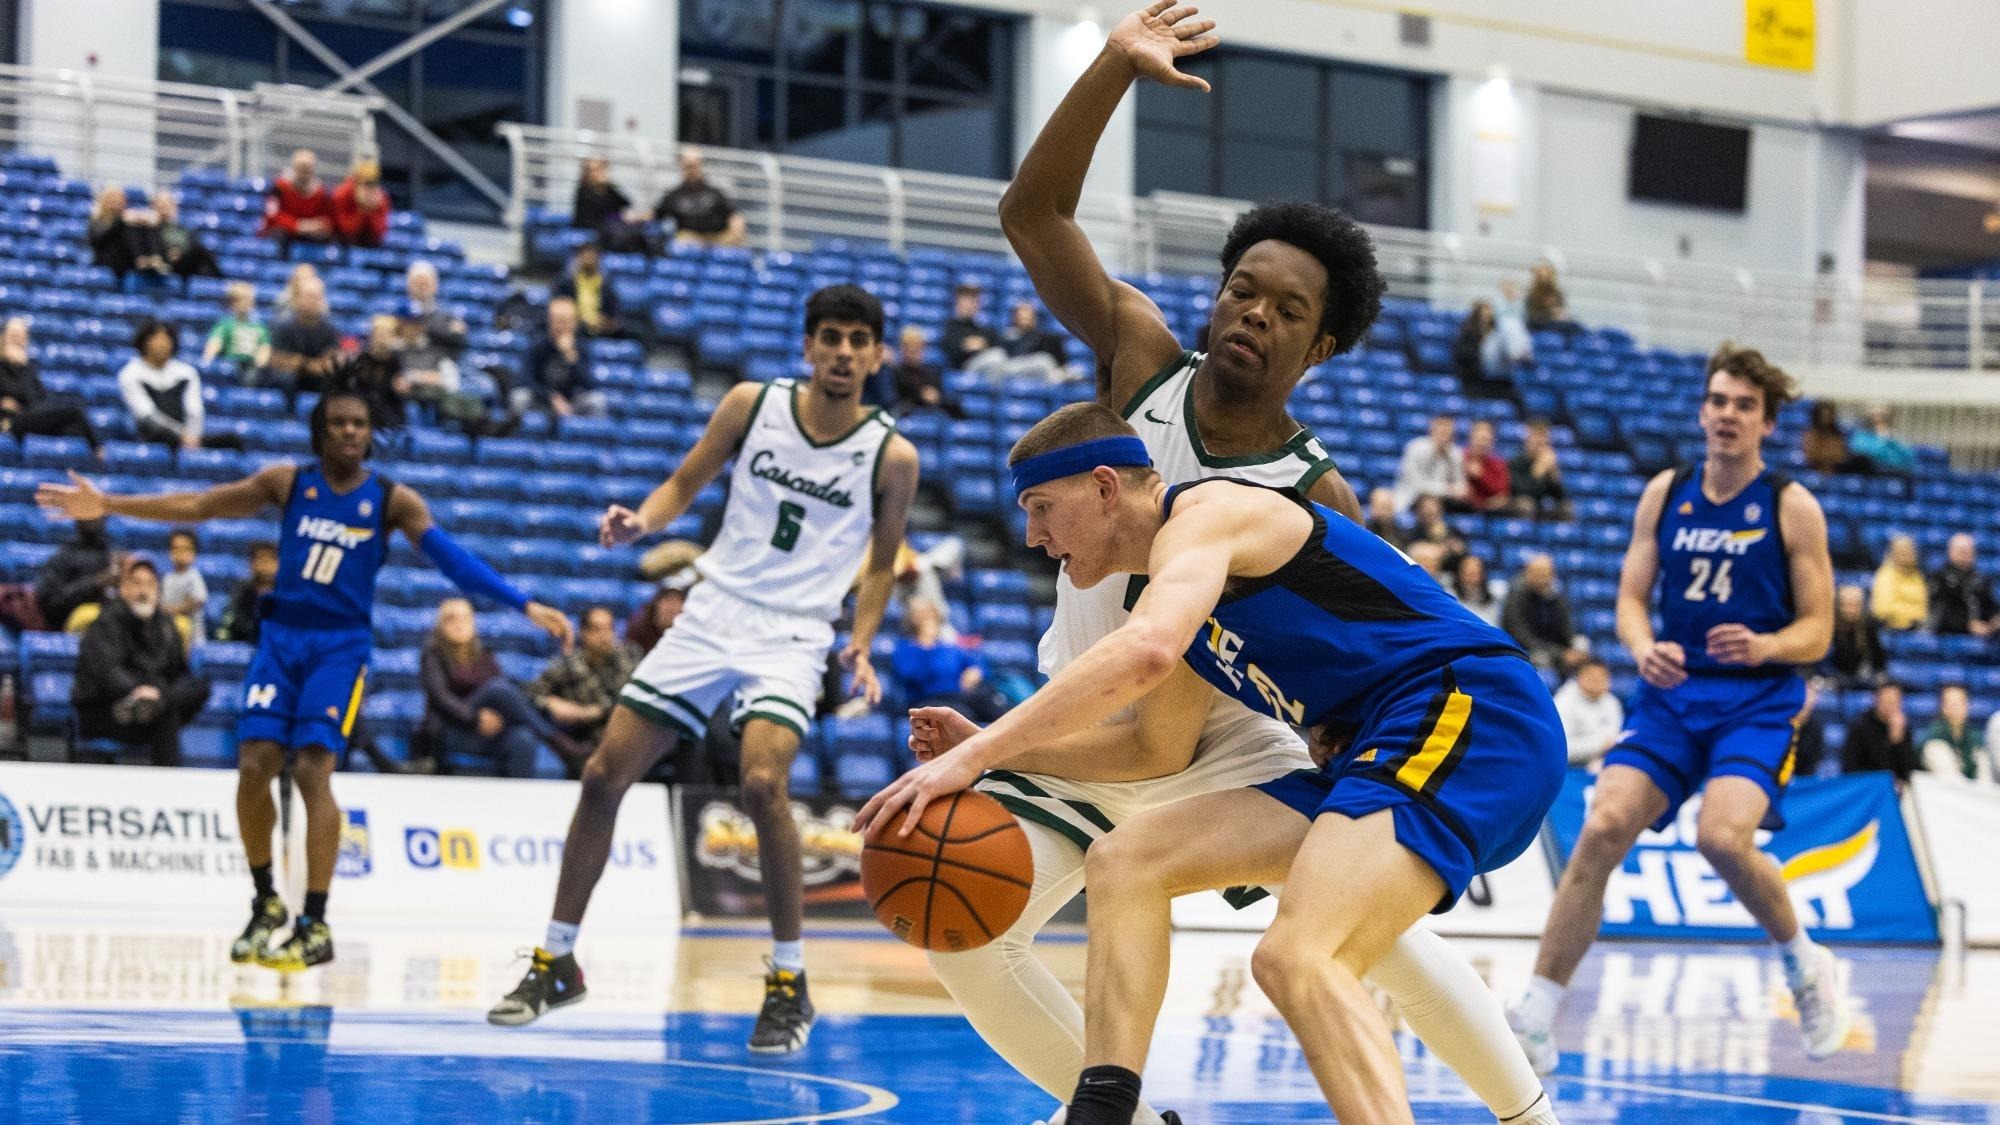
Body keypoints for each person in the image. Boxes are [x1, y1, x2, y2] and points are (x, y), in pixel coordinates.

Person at [880, 9, 1556, 1123]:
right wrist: (1111, 66)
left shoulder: (1315, 493)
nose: (1252, 312)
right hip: (1095, 721)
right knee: (966, 929)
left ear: (1318, 348)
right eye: (1244, 286)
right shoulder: (1138, 359)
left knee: (1340, 942)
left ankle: (1527, 1108)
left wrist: (1358, 751)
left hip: (1227, 732)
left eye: (1287, 309)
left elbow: (1379, 640)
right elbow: (1029, 211)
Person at [855, 401, 1567, 1125]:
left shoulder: (1207, 515)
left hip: (1472, 711)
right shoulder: (1180, 594)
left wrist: (982, 749)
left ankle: (1530, 1116)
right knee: (1126, 860)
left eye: (1042, 507)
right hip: (1381, 744)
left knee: (1297, 956)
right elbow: (1152, 748)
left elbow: (1146, 653)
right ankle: (1105, 1110)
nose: (1034, 536)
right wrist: (989, 749)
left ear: (1105, 487)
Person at [486, 285, 920, 1058]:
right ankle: (556, 959)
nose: (844, 352)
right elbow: (686, 482)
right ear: (808, 345)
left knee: (762, 784)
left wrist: (859, 640)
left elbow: (882, 564)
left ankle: (789, 981)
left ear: (878, 355)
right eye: (831, 337)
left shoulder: (893, 455)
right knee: (601, 773)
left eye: (859, 340)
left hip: (794, 632)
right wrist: (644, 520)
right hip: (714, 607)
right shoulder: (752, 404)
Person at [37, 380, 573, 973]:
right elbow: (204, 503)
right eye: (338, 422)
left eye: (359, 424)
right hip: (280, 641)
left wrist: (524, 603)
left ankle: (315, 922)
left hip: (339, 649)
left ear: (371, 434)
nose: (349, 431)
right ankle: (266, 899)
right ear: (320, 431)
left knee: (313, 770)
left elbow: (453, 561)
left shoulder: (392, 499)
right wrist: (111, 504)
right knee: (254, 766)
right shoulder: (288, 483)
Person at [1507, 342, 1844, 1077]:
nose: (1728, 415)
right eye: (1719, 401)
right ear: (1702, 410)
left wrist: (1764, 644)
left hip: (1757, 700)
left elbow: (1820, 630)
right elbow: (1632, 598)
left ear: (1767, 423)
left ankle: (1805, 964)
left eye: (1744, 406)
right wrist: (1641, 643)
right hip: (1672, 695)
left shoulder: (1791, 505)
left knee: (1722, 839)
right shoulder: (1666, 492)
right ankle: (1535, 1015)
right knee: (1600, 825)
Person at [72, 557, 212, 767]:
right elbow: (106, 673)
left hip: (153, 705)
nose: (143, 591)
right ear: (123, 589)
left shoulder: (167, 627)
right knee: (167, 716)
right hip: (105, 709)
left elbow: (181, 674)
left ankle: (152, 706)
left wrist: (158, 695)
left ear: (158, 592)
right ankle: (168, 788)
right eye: (136, 583)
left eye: (150, 584)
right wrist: (137, 690)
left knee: (198, 686)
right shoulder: (105, 622)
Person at [421, 598, 584, 778]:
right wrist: (475, 718)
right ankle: (557, 742)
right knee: (497, 689)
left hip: (489, 730)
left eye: (465, 618)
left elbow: (507, 699)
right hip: (453, 730)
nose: (459, 624)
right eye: (451, 619)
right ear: (440, 625)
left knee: (524, 738)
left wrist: (497, 719)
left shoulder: (484, 655)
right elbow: (440, 698)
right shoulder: (433, 655)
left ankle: (518, 800)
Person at [527, 604, 640, 755]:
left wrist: (588, 712)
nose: (604, 636)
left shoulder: (628, 658)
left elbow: (633, 699)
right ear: (583, 632)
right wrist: (548, 703)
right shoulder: (568, 664)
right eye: (597, 629)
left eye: (609, 629)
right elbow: (530, 694)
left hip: (622, 737)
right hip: (579, 740)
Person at [119, 320, 245, 452]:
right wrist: (181, 435)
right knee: (162, 436)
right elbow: (146, 415)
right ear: (144, 342)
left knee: (233, 441)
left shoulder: (186, 373)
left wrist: (192, 437)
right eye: (156, 339)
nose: (162, 344)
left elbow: (194, 410)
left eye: (166, 339)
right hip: (154, 436)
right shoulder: (130, 373)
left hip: (189, 437)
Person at [891, 596, 1005, 722]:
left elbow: (975, 662)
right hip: (927, 700)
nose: (926, 618)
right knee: (963, 715)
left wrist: (975, 670)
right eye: (920, 614)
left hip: (958, 696)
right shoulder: (905, 649)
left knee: (991, 705)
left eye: (929, 613)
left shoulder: (947, 647)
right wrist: (926, 645)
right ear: (911, 619)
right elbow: (913, 675)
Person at [0, 317, 99, 454]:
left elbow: (38, 401)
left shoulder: (28, 368)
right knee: (75, 411)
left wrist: (22, 368)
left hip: (29, 419)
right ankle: (99, 451)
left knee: (76, 428)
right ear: (3, 337)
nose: (18, 340)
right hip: (10, 423)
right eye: (14, 335)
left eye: (22, 336)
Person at [514, 297, 606, 418]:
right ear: (550, 321)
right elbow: (526, 380)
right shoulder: (537, 345)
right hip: (542, 400)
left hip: (571, 402)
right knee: (519, 397)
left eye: (566, 321)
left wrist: (572, 357)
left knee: (597, 401)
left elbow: (589, 385)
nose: (562, 326)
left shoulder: (582, 348)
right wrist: (551, 397)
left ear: (574, 323)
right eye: (558, 320)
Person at [36, 517, 119, 633]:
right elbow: (50, 600)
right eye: (87, 513)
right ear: (77, 518)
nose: (92, 519)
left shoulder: (113, 555)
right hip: (73, 624)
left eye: (96, 514)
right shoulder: (63, 557)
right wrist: (95, 582)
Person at [268, 276, 343, 403]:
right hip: (289, 378)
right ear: (297, 299)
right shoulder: (282, 325)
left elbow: (330, 361)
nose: (313, 301)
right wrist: (309, 365)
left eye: (317, 297)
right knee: (285, 378)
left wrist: (302, 363)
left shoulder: (330, 329)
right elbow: (276, 359)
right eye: (309, 296)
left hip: (316, 377)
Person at [654, 147, 748, 247]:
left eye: (694, 166)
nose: (691, 170)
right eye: (688, 166)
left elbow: (733, 214)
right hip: (690, 240)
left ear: (700, 165)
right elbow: (655, 214)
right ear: (682, 166)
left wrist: (737, 225)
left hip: (717, 239)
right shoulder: (673, 195)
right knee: (682, 238)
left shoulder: (715, 193)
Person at [1501, 554, 1576, 670]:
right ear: (1527, 573)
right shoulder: (1517, 595)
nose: (1542, 578)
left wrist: (1571, 648)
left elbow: (1565, 626)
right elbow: (1520, 634)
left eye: (1546, 574)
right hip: (1522, 649)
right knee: (1541, 659)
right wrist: (1559, 653)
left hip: (1552, 648)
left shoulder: (1555, 595)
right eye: (1538, 573)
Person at [1841, 679, 1918, 787]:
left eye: (1894, 702)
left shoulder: (1903, 727)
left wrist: (1898, 743)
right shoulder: (1860, 726)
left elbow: (1908, 771)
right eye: (1886, 701)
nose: (1889, 706)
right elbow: (1850, 768)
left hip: (1895, 787)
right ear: (1876, 699)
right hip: (1867, 786)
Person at [260, 148, 336, 253]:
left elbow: (327, 220)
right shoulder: (278, 188)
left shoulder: (322, 193)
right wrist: (299, 225)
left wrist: (317, 226)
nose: (304, 172)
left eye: (308, 168)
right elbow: (272, 216)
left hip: (310, 237)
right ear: (294, 167)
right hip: (284, 235)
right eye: (301, 167)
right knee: (278, 235)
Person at [1553, 658, 1623, 767]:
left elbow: (1614, 738)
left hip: (1602, 764)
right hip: (1569, 768)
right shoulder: (1563, 701)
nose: (1597, 680)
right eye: (1591, 676)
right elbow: (1560, 749)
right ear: (1578, 677)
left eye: (1602, 677)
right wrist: (1599, 746)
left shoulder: (1611, 702)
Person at [879, 325, 961, 417]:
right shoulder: (894, 373)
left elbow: (952, 405)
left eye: (917, 346)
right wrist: (920, 396)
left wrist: (938, 397)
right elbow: (892, 401)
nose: (913, 350)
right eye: (909, 346)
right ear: (901, 347)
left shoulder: (932, 374)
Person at [1929, 533, 2000, 637]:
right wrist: (1968, 625)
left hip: (1984, 638)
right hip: (1949, 635)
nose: (1964, 554)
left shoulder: (1983, 579)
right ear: (1950, 552)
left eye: (1968, 551)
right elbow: (1939, 612)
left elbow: (1991, 606)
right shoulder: (1939, 578)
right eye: (1961, 551)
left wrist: (1994, 621)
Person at [349, 315, 410, 432]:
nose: (381, 339)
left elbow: (400, 391)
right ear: (371, 337)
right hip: (360, 410)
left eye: (386, 335)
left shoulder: (397, 362)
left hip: (388, 412)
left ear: (393, 338)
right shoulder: (360, 359)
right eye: (378, 335)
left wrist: (401, 389)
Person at [1394, 413, 1465, 513]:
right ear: (1432, 430)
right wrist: (1446, 489)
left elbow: (1461, 487)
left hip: (1444, 503)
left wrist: (1453, 490)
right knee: (1429, 504)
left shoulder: (1455, 453)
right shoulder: (1415, 448)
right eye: (1442, 430)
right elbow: (1417, 485)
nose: (1445, 434)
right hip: (1411, 499)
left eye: (1448, 431)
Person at [552, 243, 624, 338]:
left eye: (593, 256)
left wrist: (606, 322)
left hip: (601, 328)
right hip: (574, 327)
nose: (589, 260)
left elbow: (614, 312)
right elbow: (557, 307)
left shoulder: (607, 284)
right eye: (586, 256)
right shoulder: (565, 282)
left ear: (599, 259)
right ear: (578, 258)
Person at [1920, 683, 1987, 783]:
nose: (1956, 708)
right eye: (1951, 703)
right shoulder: (1934, 739)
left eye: (1960, 702)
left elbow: (1985, 778)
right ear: (1942, 707)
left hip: (1974, 794)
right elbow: (1951, 782)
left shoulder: (1976, 737)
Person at [148, 191, 221, 281]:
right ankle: (222, 282)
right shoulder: (150, 229)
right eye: (161, 206)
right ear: (154, 207)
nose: (164, 210)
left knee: (202, 255)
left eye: (167, 205)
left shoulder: (181, 229)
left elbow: (192, 245)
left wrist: (180, 252)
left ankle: (218, 284)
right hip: (164, 264)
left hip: (183, 263)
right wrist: (167, 253)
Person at [216, 540, 278, 645]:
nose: (266, 564)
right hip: (242, 640)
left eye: (271, 559)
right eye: (261, 559)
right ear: (251, 564)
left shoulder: (285, 592)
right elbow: (238, 618)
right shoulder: (242, 590)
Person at [1508, 417, 1570, 520]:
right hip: (1517, 507)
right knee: (1526, 504)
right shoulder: (1515, 461)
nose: (1541, 441)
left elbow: (1560, 497)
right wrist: (1539, 469)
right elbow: (1522, 491)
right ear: (1528, 438)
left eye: (1544, 437)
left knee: (1566, 507)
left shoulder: (1547, 463)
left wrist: (1554, 476)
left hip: (1540, 508)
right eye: (1537, 436)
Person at [203, 282, 274, 371]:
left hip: (251, 369)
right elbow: (214, 344)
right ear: (232, 302)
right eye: (242, 299)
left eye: (249, 299)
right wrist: (208, 360)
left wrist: (259, 365)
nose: (247, 303)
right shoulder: (225, 324)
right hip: (230, 367)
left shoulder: (260, 327)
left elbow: (264, 349)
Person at [1825, 583, 1884, 684]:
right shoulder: (1829, 626)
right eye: (1847, 604)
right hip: (1831, 679)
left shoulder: (1869, 627)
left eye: (1856, 605)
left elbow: (1878, 661)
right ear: (1838, 605)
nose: (1851, 610)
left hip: (1861, 680)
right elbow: (1822, 663)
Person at [1871, 533, 1927, 631]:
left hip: (1917, 629)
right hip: (1892, 631)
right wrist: (1911, 616)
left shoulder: (1918, 576)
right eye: (1902, 551)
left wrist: (1916, 617)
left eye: (1910, 550)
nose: (1908, 554)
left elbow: (1923, 608)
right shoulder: (1885, 575)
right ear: (1892, 553)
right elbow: (1883, 611)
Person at [161, 529, 209, 645]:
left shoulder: (193, 576)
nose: (180, 553)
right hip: (170, 637)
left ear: (194, 553)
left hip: (192, 640)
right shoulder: (167, 578)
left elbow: (199, 600)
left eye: (186, 549)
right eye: (176, 548)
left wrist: (172, 610)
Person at [330, 159, 390, 249]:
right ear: (356, 181)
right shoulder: (341, 194)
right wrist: (361, 209)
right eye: (366, 183)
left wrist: (371, 210)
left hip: (370, 244)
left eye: (373, 183)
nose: (370, 188)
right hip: (341, 243)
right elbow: (344, 230)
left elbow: (380, 232)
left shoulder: (381, 198)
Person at [940, 282, 995, 370]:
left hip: (986, 367)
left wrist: (982, 345)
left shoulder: (983, 328)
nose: (970, 304)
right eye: (966, 299)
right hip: (962, 368)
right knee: (996, 357)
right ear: (958, 302)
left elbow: (996, 343)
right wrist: (965, 345)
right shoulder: (950, 327)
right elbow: (949, 348)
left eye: (974, 300)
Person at [1848, 405, 1914, 476]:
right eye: (1875, 416)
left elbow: (1908, 457)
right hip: (1869, 473)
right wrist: (1882, 440)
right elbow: (1859, 452)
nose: (1879, 420)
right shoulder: (1860, 436)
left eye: (1882, 416)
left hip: (1894, 472)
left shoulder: (1896, 437)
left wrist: (1888, 439)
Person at [1463, 419, 1511, 511]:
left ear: (1492, 441)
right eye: (1479, 438)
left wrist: (1481, 476)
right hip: (1462, 507)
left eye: (1486, 439)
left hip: (1490, 509)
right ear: (1471, 437)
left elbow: (1502, 493)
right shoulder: (1459, 457)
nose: (1482, 442)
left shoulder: (1498, 463)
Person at [625, 583, 687, 653]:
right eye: (668, 599)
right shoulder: (638, 628)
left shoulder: (688, 632)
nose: (672, 607)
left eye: (678, 601)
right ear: (656, 603)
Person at [1451, 552, 1505, 628]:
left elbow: (1494, 627)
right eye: (1468, 573)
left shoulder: (1493, 600)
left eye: (1476, 573)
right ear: (1460, 574)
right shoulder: (1449, 598)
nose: (1472, 578)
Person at [1801, 401, 1852, 475]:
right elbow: (1812, 456)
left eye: (1829, 414)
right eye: (1824, 414)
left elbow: (1842, 456)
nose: (1826, 418)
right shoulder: (1811, 434)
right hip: (1817, 470)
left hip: (1837, 470)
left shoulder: (1837, 435)